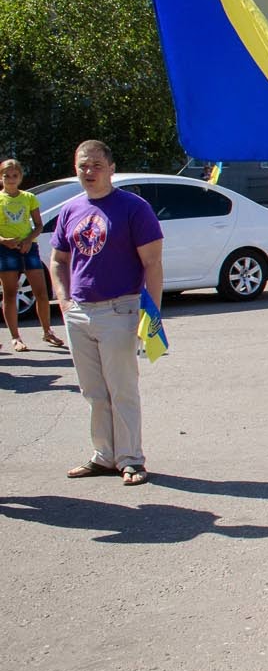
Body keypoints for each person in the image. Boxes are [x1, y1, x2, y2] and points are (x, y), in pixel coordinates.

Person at [49, 140, 163, 487]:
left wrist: (152, 315)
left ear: (111, 168)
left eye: (97, 165)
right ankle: (103, 456)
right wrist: (64, 301)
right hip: (79, 313)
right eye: (83, 165)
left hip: (120, 308)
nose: (89, 172)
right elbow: (58, 260)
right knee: (93, 391)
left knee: (122, 389)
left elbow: (153, 263)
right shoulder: (71, 210)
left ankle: (131, 459)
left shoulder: (133, 208)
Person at [1, 158, 65, 351]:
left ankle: (47, 331)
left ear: (20, 177)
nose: (11, 179)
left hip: (29, 248)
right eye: (7, 176)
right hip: (6, 249)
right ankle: (15, 336)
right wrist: (4, 240)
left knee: (41, 292)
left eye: (15, 175)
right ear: (1, 177)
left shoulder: (29, 197)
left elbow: (38, 225)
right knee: (10, 293)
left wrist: (28, 240)